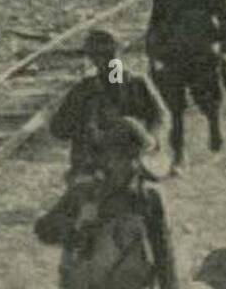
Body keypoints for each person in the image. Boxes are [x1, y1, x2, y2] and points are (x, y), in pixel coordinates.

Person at [34, 117, 180, 289]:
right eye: (119, 157)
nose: (127, 165)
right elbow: (44, 229)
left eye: (133, 157)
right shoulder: (84, 194)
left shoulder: (148, 198)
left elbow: (163, 251)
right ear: (105, 157)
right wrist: (77, 229)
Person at [146, 0, 226, 172]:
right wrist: (153, 52)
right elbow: (156, 22)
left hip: (203, 53)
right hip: (173, 53)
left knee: (209, 99)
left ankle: (215, 128)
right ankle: (178, 154)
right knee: (174, 108)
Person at [49, 28, 168, 180]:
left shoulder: (137, 84)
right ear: (92, 59)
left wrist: (152, 139)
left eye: (110, 55)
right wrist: (83, 128)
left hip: (132, 160)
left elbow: (160, 116)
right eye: (100, 56)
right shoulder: (84, 90)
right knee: (80, 195)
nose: (107, 62)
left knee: (151, 195)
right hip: (93, 165)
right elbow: (59, 128)